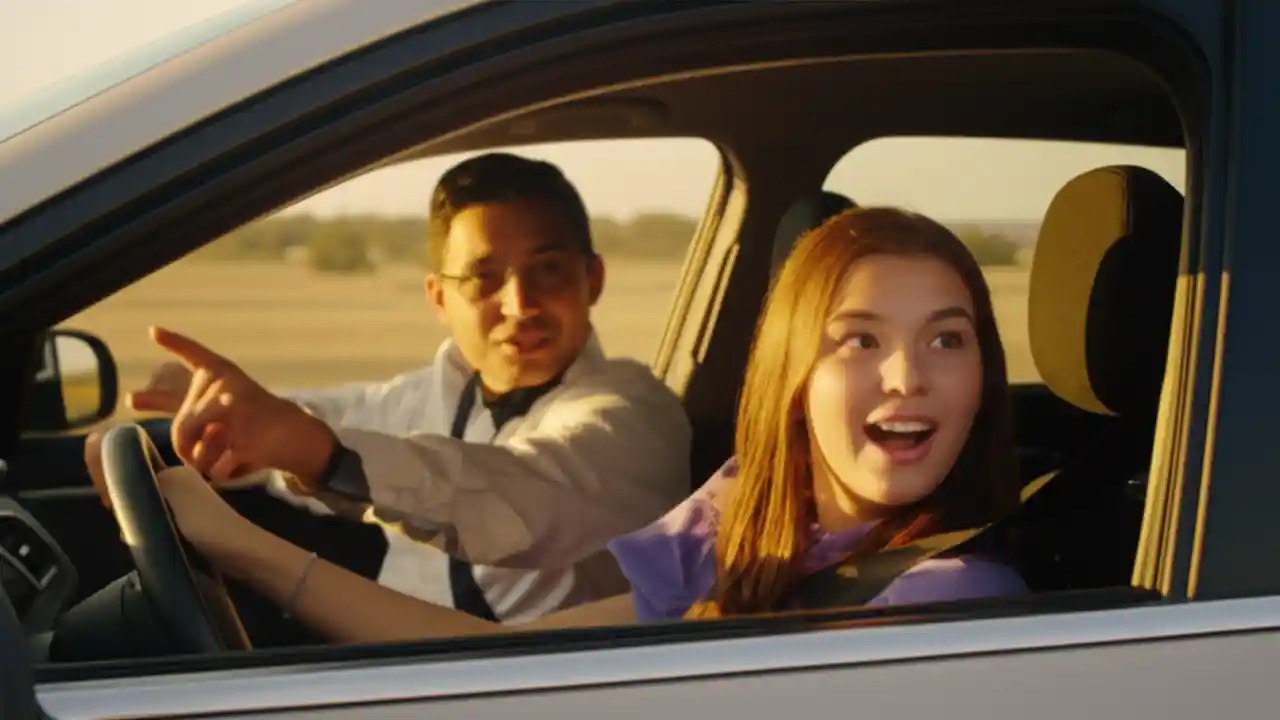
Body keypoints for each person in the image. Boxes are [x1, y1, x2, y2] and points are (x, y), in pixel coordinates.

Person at [142, 205, 1027, 643]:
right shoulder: (745, 521)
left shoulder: (948, 600)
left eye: (946, 339)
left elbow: (518, 500)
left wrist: (302, 461)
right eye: (860, 341)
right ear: (792, 375)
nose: (908, 377)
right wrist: (238, 543)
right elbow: (494, 660)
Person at [87, 152, 692, 624]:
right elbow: (330, 417)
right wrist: (209, 428)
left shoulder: (634, 418)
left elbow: (510, 493)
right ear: (439, 298)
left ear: (593, 278)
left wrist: (318, 453)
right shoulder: (432, 393)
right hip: (384, 668)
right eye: (485, 278)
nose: (520, 303)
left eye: (549, 270)